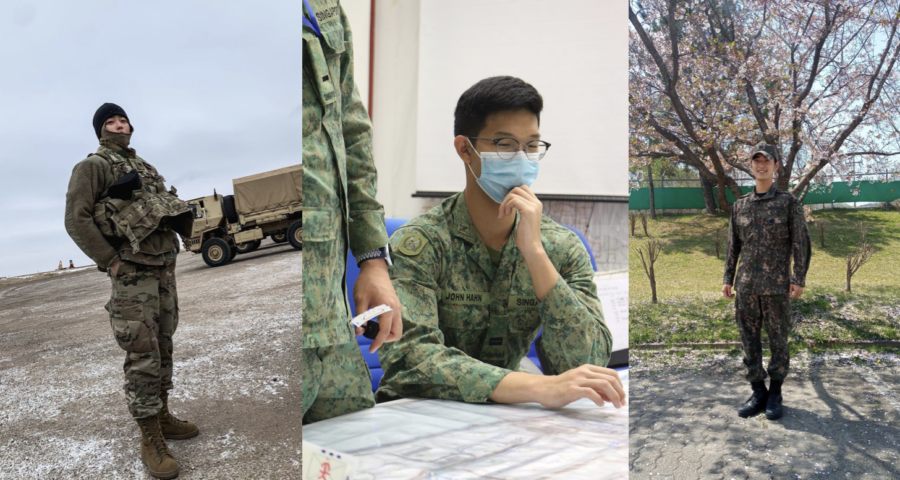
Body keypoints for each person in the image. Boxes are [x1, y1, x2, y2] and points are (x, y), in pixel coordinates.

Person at [376, 76, 625, 409]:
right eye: (505, 145)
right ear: (465, 149)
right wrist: (539, 388)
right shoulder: (422, 244)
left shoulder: (561, 247)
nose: (522, 158)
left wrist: (535, 254)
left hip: (509, 421)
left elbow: (587, 361)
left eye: (532, 146)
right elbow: (410, 358)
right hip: (422, 417)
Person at [65, 103, 197, 479]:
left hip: (162, 268)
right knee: (142, 354)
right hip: (132, 272)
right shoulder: (92, 166)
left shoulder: (145, 167)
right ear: (100, 130)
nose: (119, 124)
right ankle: (149, 437)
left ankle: (164, 417)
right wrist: (110, 259)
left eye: (123, 119)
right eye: (111, 121)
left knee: (165, 345)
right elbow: (76, 219)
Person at [302, 0, 403, 424]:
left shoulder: (324, 7)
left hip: (330, 316)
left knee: (354, 449)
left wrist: (373, 260)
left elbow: (351, 130)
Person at [723, 143, 811, 420]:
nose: (761, 165)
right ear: (750, 166)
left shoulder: (788, 203)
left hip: (776, 287)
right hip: (746, 287)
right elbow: (732, 247)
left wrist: (798, 278)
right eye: (756, 161)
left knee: (778, 341)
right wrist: (728, 277)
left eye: (766, 161)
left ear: (775, 166)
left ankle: (775, 392)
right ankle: (757, 390)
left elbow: (801, 243)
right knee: (748, 341)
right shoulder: (740, 207)